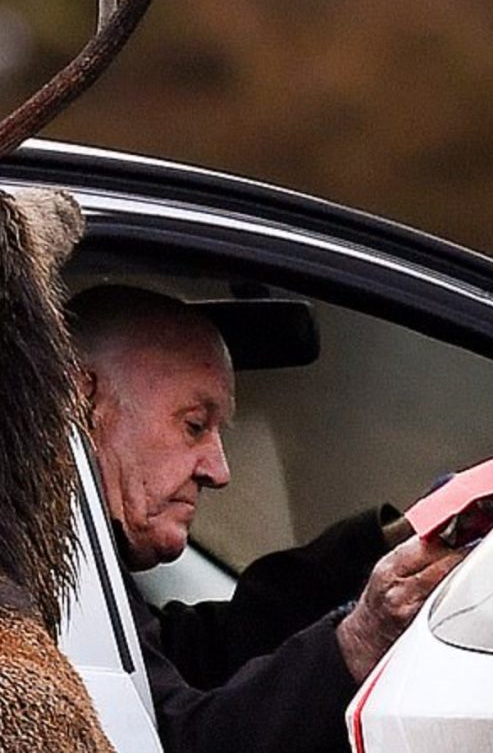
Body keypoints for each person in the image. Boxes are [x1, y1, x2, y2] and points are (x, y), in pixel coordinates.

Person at [67, 285, 469, 753]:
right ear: (84, 401)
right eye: (194, 425)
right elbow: (167, 741)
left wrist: (395, 540)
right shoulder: (21, 587)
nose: (219, 472)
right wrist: (362, 637)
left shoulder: (82, 582)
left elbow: (199, 651)